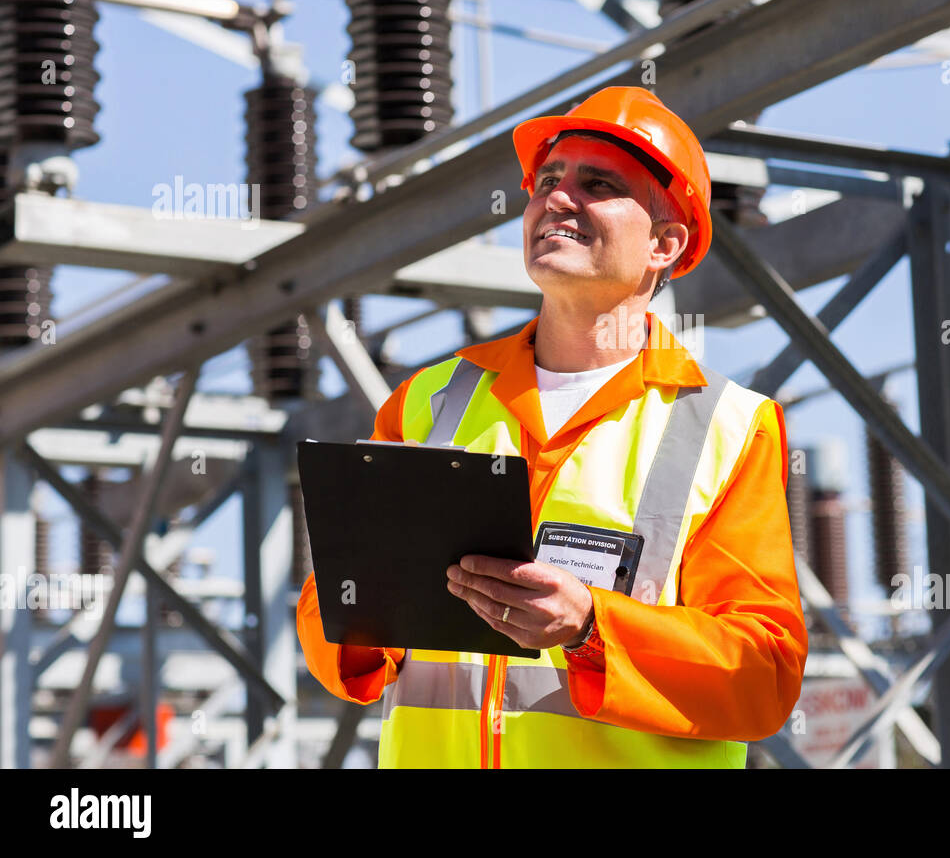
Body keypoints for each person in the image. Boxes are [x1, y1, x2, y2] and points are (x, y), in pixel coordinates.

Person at [296, 85, 808, 768]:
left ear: (666, 242)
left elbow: (763, 678)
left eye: (597, 184)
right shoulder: (430, 400)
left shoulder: (729, 426)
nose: (556, 199)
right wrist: (359, 580)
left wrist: (593, 627)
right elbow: (337, 635)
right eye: (547, 181)